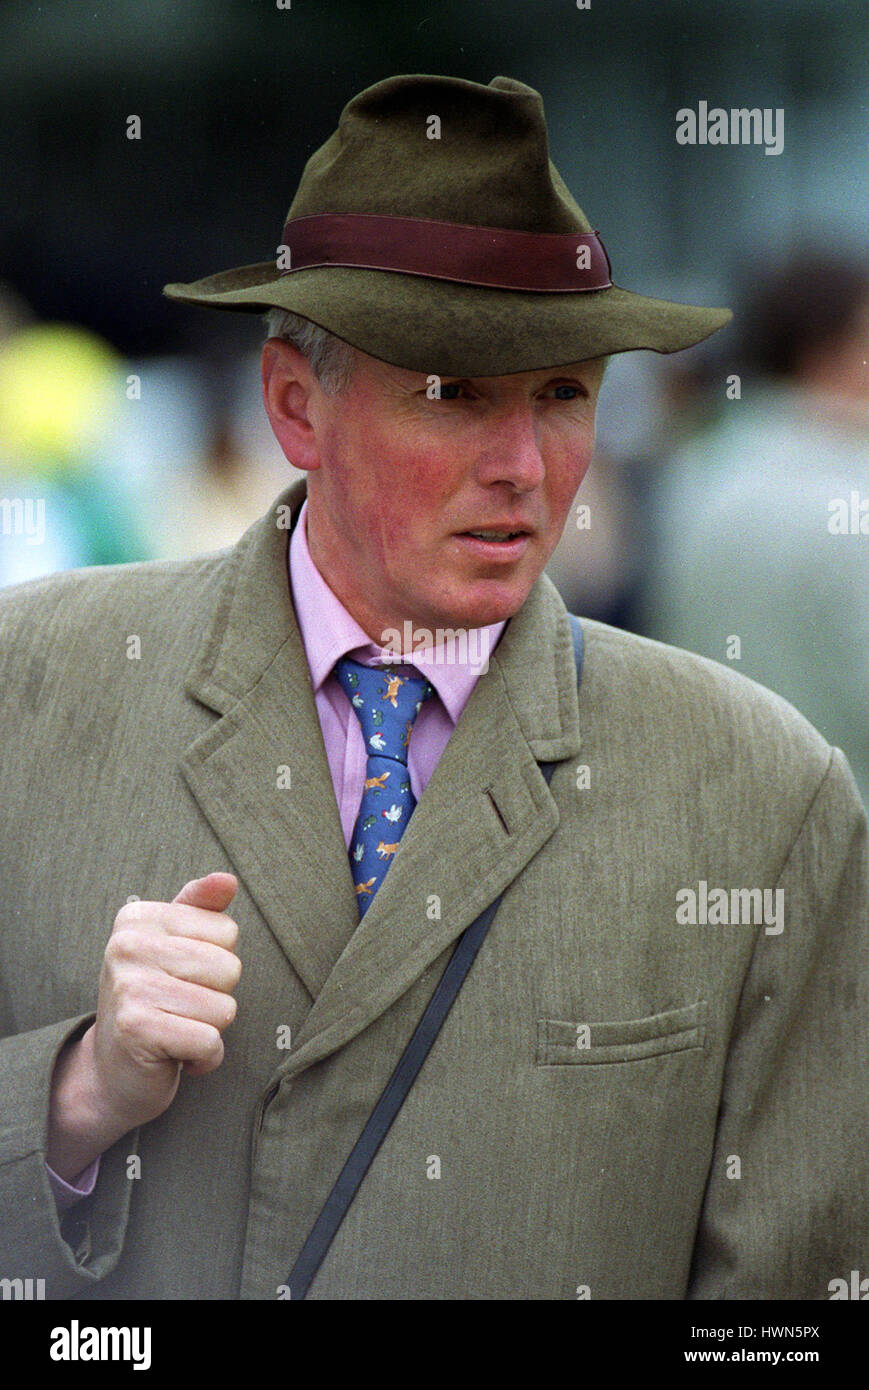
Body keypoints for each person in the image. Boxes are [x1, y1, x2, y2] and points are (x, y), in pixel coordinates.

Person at [0, 73, 866, 1301]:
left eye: (562, 393)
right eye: (452, 392)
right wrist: (74, 1097)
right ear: (295, 405)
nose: (523, 467)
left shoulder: (762, 792)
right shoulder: (29, 693)